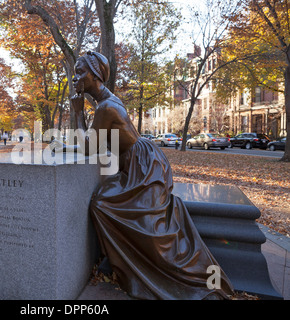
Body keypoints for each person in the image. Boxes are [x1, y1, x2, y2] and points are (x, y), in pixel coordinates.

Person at [56, 51, 234, 300]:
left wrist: (77, 113)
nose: (74, 78)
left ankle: (149, 270)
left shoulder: (106, 108)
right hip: (140, 162)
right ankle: (127, 263)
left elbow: (88, 147)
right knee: (110, 206)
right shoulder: (107, 101)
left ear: (95, 75)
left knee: (106, 207)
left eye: (79, 72)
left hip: (143, 167)